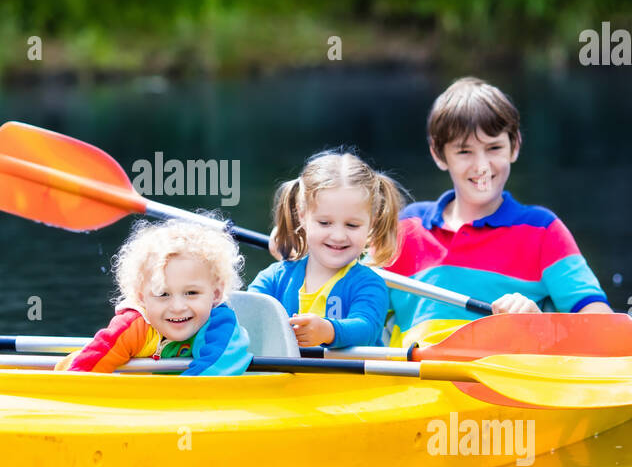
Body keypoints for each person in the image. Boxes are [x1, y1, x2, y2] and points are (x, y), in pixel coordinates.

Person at [383, 76, 612, 344]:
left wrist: (540, 324)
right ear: (438, 154)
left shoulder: (543, 230)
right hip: (415, 379)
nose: (481, 166)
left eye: (494, 148)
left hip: (505, 378)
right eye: (464, 151)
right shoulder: (405, 228)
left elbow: (603, 326)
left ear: (514, 146)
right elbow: (355, 304)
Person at [250, 151, 405, 348]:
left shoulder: (369, 284)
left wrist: (329, 331)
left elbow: (366, 327)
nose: (338, 236)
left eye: (352, 225)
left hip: (350, 379)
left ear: (371, 223)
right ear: (302, 215)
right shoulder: (274, 278)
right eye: (325, 223)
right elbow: (247, 311)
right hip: (286, 378)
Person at [57, 218, 252, 375]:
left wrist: (172, 405)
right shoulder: (133, 326)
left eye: (191, 293)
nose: (177, 307)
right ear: (141, 298)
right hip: (136, 406)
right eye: (162, 294)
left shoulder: (220, 322)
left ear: (216, 294)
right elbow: (85, 369)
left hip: (178, 406)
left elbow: (215, 371)